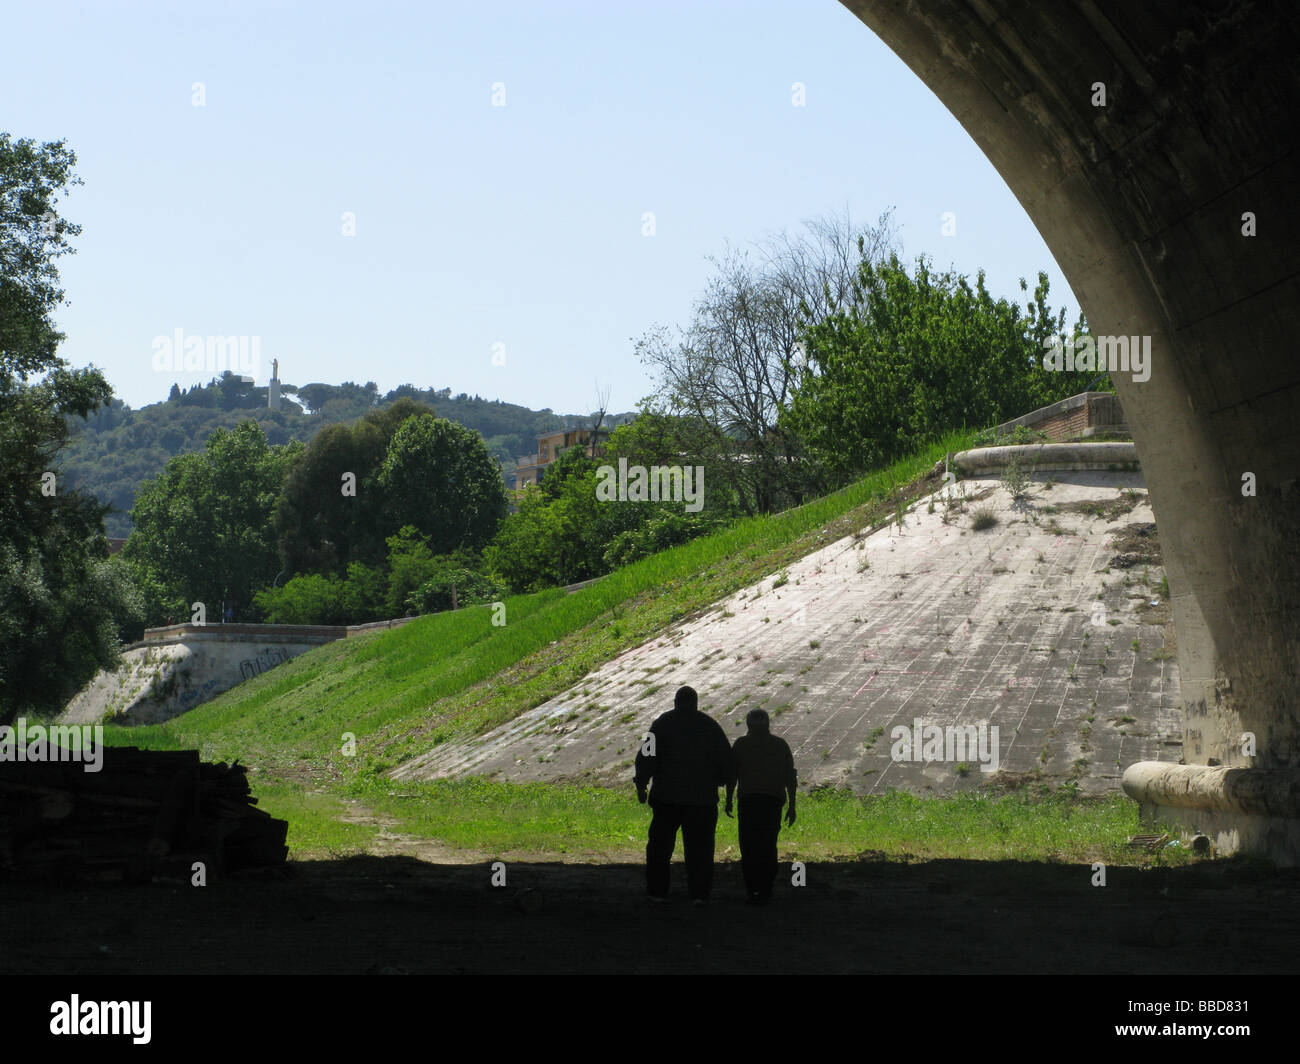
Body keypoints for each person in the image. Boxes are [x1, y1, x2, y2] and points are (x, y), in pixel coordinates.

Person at [633, 685, 733, 904]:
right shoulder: (710, 726)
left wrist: (641, 784)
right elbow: (726, 760)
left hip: (667, 799)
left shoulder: (661, 725)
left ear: (675, 702)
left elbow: (646, 757)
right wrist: (723, 786)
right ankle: (699, 895)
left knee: (659, 848)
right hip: (702, 801)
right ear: (696, 703)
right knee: (701, 850)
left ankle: (657, 893)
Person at [725, 708, 797, 905]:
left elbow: (732, 776)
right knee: (767, 845)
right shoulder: (780, 745)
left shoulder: (741, 745)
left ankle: (752, 889)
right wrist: (792, 805)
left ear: (748, 725)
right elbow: (790, 778)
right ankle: (766, 889)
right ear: (768, 725)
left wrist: (729, 799)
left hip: (748, 801)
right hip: (772, 802)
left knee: (748, 847)